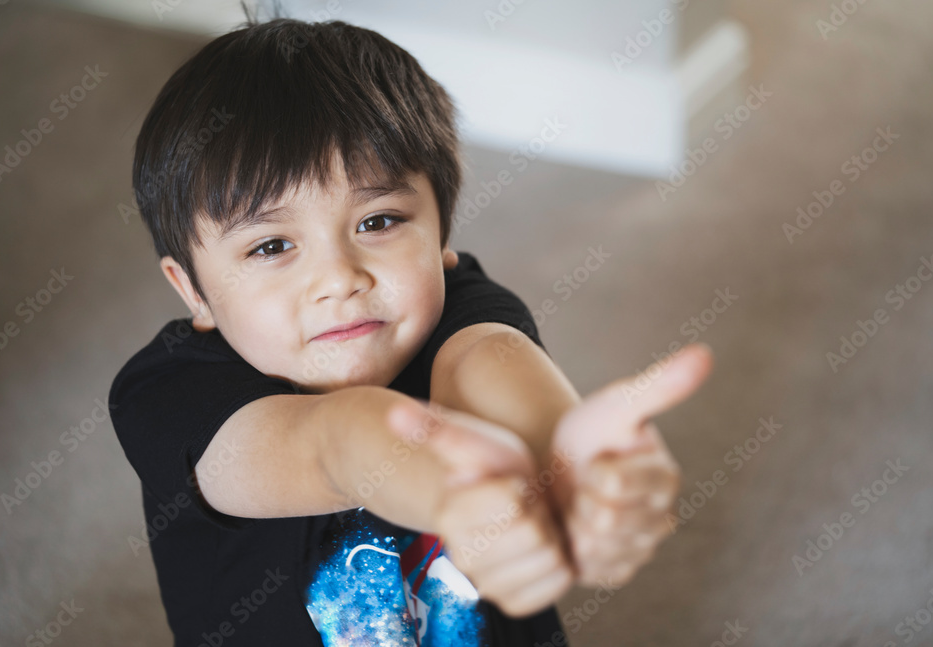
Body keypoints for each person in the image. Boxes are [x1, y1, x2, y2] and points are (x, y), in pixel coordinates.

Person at [108, 12, 714, 647]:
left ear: (443, 235)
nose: (339, 279)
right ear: (192, 289)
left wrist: (563, 459)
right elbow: (335, 443)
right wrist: (451, 496)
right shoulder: (166, 394)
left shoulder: (458, 309)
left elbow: (498, 366)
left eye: (378, 222)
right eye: (271, 246)